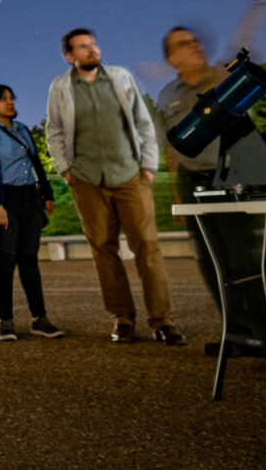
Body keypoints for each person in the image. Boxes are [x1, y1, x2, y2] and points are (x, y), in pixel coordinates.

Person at [158, 24, 266, 371]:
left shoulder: (226, 77)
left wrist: (256, 9)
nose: (194, 46)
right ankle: (239, 335)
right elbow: (173, 150)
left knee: (253, 263)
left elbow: (246, 42)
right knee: (215, 265)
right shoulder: (167, 95)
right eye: (183, 44)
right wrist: (179, 194)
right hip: (195, 187)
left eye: (195, 41)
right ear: (171, 58)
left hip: (234, 181)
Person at [44, 30, 184, 346]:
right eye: (82, 47)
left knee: (147, 248)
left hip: (129, 177)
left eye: (93, 44)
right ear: (69, 56)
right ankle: (122, 318)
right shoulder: (60, 88)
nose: (91, 50)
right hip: (87, 180)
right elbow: (54, 130)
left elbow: (143, 121)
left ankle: (163, 321)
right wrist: (66, 171)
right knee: (104, 252)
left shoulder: (120, 77)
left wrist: (148, 166)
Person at [0, 85, 64, 341]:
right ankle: (5, 320)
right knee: (5, 260)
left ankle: (39, 318)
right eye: (4, 99)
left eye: (11, 98)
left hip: (29, 199)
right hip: (4, 199)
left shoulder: (22, 130)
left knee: (29, 261)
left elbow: (35, 163)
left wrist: (46, 194)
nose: (10, 103)